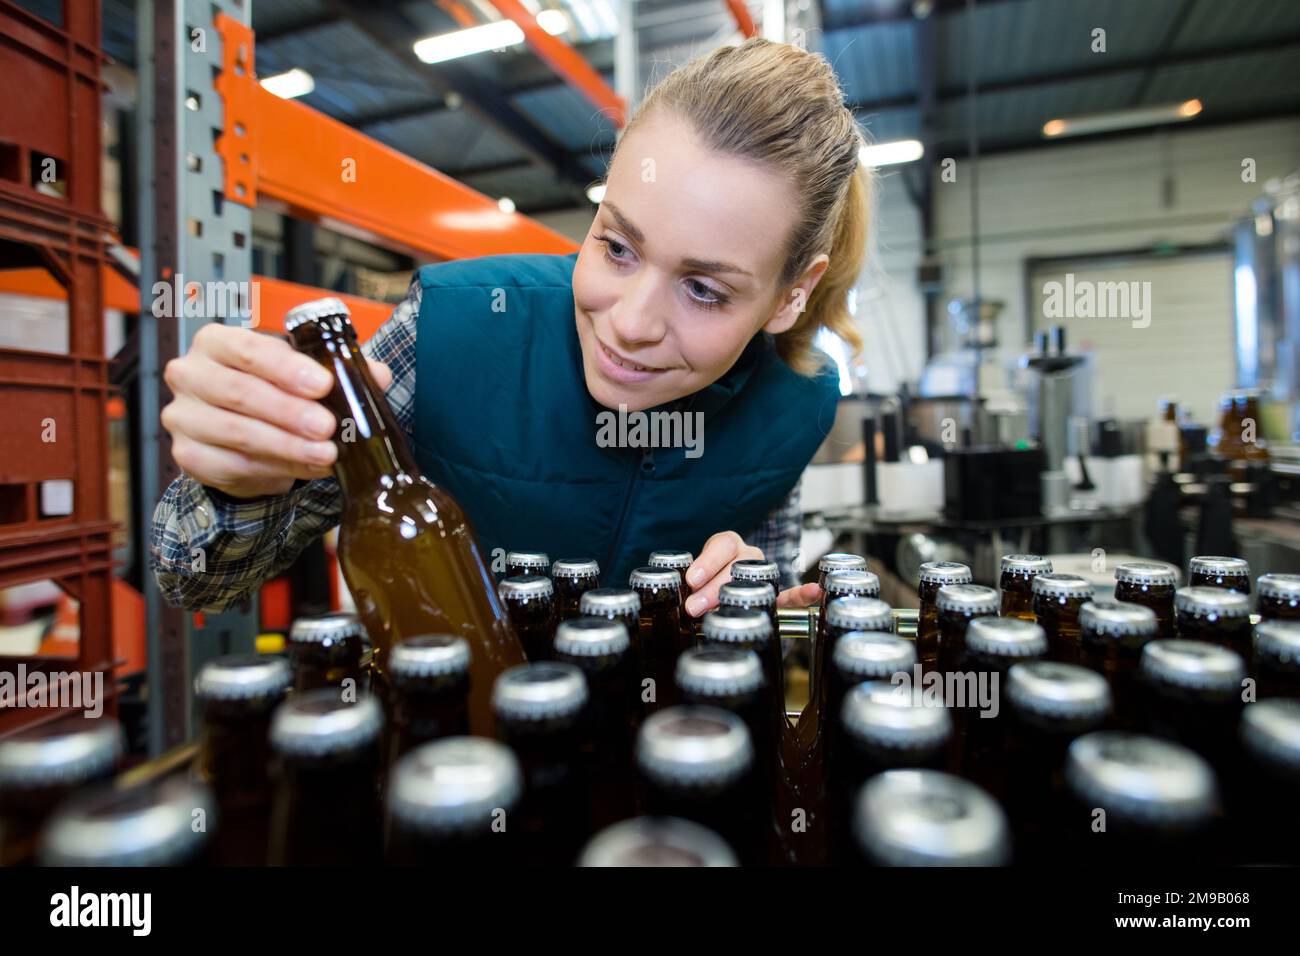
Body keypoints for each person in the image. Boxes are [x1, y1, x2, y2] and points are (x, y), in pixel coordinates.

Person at [150, 38, 869, 619]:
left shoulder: (796, 401)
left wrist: (749, 590)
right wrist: (236, 483)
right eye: (617, 247)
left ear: (790, 296)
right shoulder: (450, 332)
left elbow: (767, 574)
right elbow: (199, 585)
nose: (630, 323)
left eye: (705, 289)